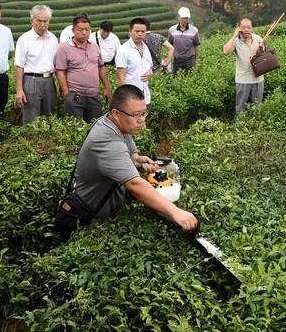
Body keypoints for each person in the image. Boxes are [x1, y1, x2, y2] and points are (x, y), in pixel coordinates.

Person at [69, 84, 197, 230]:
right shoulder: (106, 139)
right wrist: (176, 212)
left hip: (110, 208)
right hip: (90, 219)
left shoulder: (119, 124)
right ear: (116, 113)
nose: (141, 120)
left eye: (144, 113)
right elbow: (134, 184)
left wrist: (137, 161)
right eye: (136, 115)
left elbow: (130, 154)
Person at [54, 14, 112, 122]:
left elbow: (101, 68)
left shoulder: (94, 46)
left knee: (95, 126)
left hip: (93, 95)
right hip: (75, 95)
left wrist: (107, 87)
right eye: (80, 29)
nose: (84, 32)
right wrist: (67, 94)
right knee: (76, 127)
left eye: (87, 29)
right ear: (73, 30)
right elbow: (60, 71)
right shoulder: (64, 48)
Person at [14, 5, 59, 124]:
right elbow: (19, 66)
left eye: (46, 21)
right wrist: (19, 90)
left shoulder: (53, 38)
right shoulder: (24, 39)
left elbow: (57, 64)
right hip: (31, 81)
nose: (43, 24)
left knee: (50, 117)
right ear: (32, 20)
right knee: (31, 119)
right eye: (39, 21)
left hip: (49, 80)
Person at [222, 17, 265, 114]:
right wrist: (234, 35)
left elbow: (265, 56)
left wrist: (262, 51)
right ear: (239, 29)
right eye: (244, 27)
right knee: (240, 107)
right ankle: (239, 127)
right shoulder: (236, 41)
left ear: (252, 28)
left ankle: (256, 126)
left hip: (258, 79)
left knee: (257, 108)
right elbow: (225, 51)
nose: (246, 30)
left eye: (249, 27)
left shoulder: (258, 39)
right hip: (243, 80)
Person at [115, 17, 153, 105]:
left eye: (143, 32)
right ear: (130, 31)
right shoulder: (123, 50)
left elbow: (149, 67)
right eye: (137, 31)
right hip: (131, 98)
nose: (140, 34)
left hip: (145, 96)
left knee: (144, 118)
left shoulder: (146, 48)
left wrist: (150, 73)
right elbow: (121, 78)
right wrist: (125, 100)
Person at [167, 7, 200, 73]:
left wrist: (197, 60)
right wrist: (168, 59)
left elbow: (196, 46)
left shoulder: (194, 30)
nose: (184, 20)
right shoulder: (172, 30)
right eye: (183, 18)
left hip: (190, 60)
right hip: (177, 60)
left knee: (190, 79)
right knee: (175, 78)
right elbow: (169, 45)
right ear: (178, 17)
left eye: (186, 18)